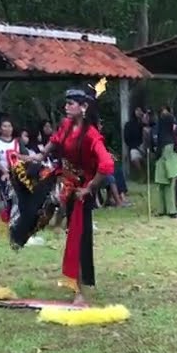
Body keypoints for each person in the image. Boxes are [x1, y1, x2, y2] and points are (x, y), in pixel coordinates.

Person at [39, 86, 116, 304]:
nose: (66, 107)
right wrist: (41, 154)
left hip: (81, 191)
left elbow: (107, 164)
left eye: (70, 103)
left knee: (79, 238)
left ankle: (80, 292)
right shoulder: (66, 125)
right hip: (65, 183)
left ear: (83, 107)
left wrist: (90, 188)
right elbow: (55, 140)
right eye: (66, 103)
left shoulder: (91, 135)